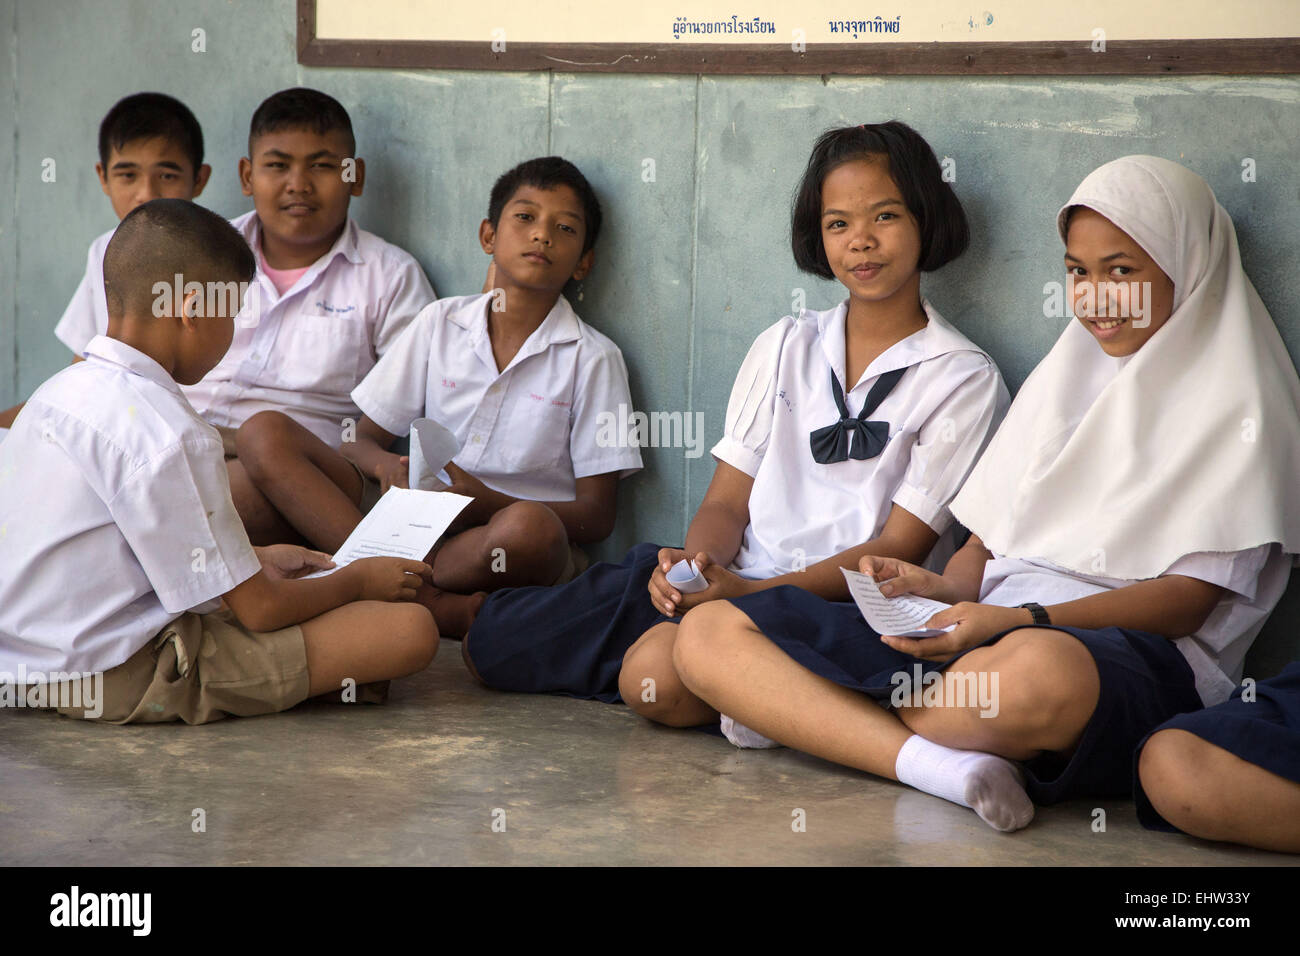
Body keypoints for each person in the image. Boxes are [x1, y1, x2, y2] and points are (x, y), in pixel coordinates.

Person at [669, 155, 1300, 832]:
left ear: (1190, 266)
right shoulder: (1067, 376)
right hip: (978, 631)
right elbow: (982, 544)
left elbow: (1185, 603)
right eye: (1077, 273)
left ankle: (809, 717)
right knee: (703, 636)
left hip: (1114, 651)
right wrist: (937, 589)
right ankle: (944, 767)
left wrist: (1017, 621)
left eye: (1123, 272)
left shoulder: (1242, 402)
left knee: (1033, 678)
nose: (1094, 298)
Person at [463, 122, 1008, 723]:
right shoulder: (786, 343)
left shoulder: (962, 375)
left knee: (656, 677)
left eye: (885, 217)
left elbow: (900, 546)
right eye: (838, 224)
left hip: (846, 607)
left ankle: (745, 680)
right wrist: (695, 571)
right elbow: (726, 504)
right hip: (739, 578)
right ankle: (726, 670)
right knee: (495, 644)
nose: (861, 242)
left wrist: (751, 597)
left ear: (926, 220)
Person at [0, 199, 437, 724]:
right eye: (230, 315)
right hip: (117, 672)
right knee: (407, 630)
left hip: (20, 661)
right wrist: (359, 581)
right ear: (190, 310)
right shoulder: (174, 433)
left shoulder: (53, 395)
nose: (230, 334)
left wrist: (251, 557)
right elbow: (260, 609)